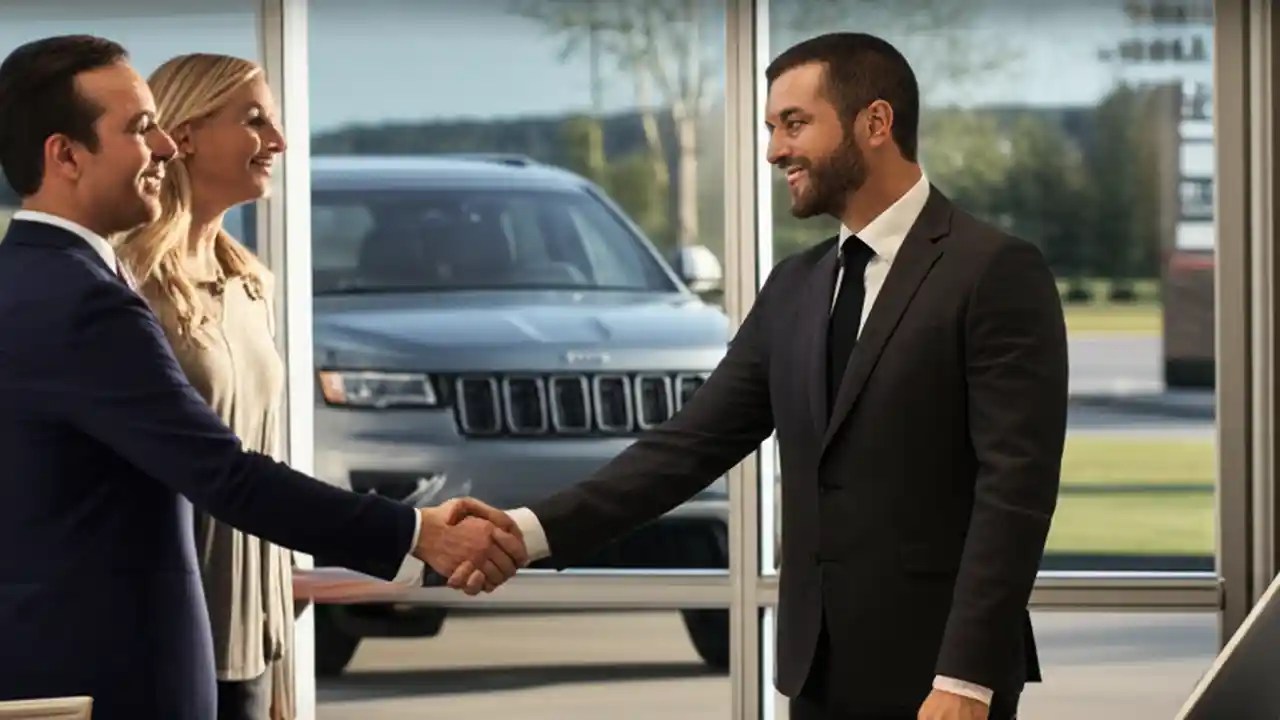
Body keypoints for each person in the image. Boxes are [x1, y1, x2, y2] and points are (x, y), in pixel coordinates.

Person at [453, 32, 1068, 720]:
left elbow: (1015, 492)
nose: (776, 150)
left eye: (795, 124)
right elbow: (686, 446)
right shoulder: (795, 286)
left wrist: (968, 679)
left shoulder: (993, 271)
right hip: (815, 672)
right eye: (772, 128)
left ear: (876, 123)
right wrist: (527, 531)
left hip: (942, 683)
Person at [0, 35, 528, 720]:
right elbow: (228, 476)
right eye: (139, 129)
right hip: (114, 679)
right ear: (64, 155)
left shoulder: (30, 277)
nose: (163, 148)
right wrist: (418, 532)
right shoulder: (87, 299)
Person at [114, 53, 292, 720]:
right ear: (182, 135)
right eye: (255, 121)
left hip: (254, 632)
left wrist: (281, 656)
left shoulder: (252, 282)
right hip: (163, 632)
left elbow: (264, 460)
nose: (277, 142)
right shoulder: (127, 283)